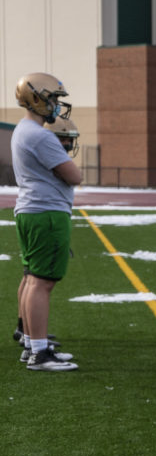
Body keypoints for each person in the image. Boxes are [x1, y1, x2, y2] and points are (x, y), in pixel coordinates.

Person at [12, 73, 82, 372]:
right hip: (46, 213)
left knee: (32, 278)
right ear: (37, 99)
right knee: (42, 282)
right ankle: (39, 354)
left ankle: (32, 344)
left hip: (31, 210)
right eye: (52, 99)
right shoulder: (39, 135)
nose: (56, 105)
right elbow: (74, 176)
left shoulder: (23, 131)